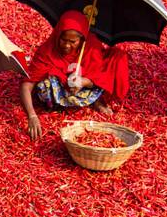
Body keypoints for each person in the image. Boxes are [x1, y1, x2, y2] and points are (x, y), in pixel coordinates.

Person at [19, 10, 128, 139]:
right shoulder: (47, 50)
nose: (66, 45)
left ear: (82, 40)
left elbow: (98, 74)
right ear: (58, 34)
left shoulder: (91, 46)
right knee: (45, 85)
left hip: (83, 87)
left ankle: (95, 101)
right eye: (63, 39)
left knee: (114, 62)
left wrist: (83, 82)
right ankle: (63, 105)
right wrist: (32, 115)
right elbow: (27, 85)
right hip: (58, 94)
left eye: (73, 42)